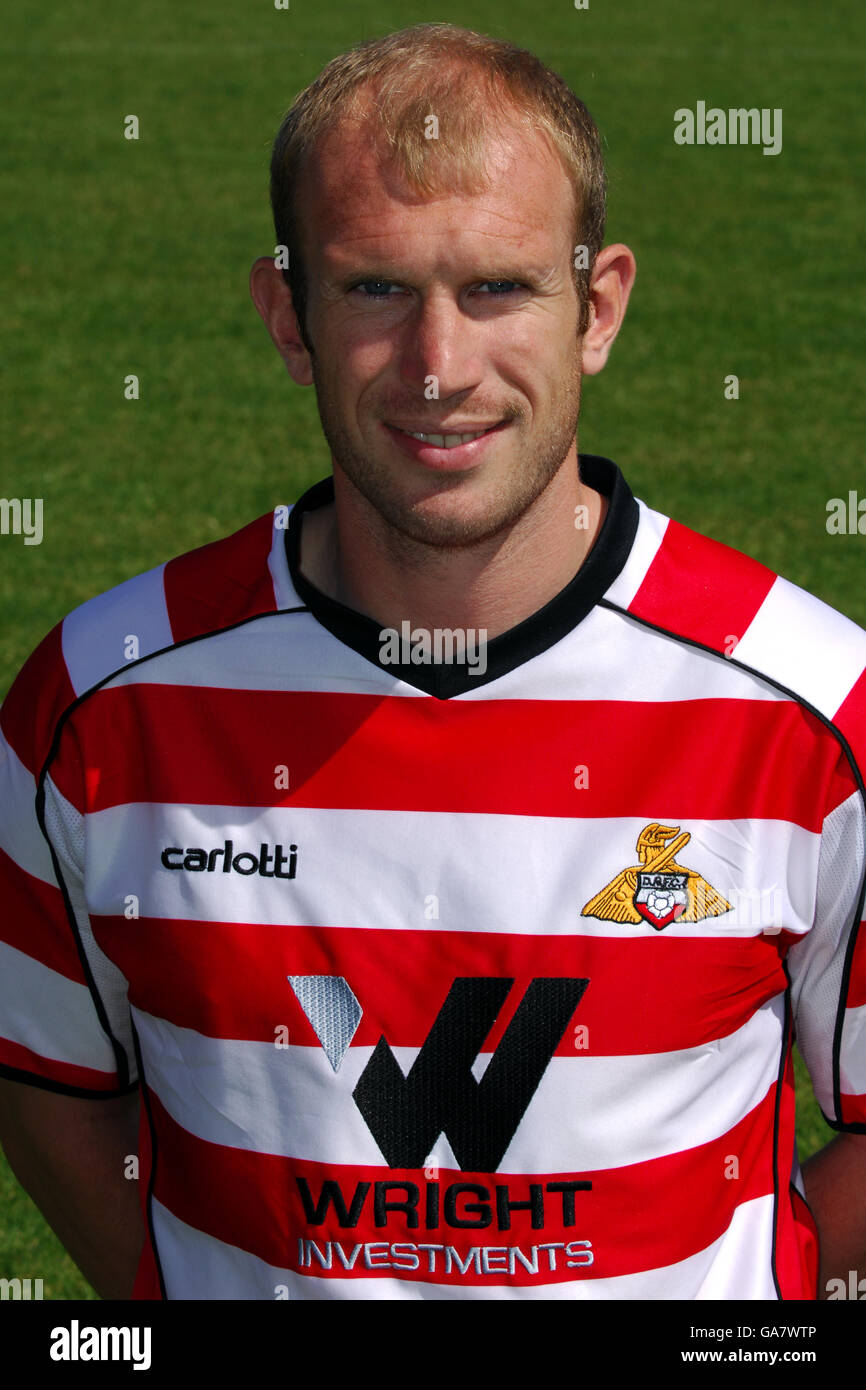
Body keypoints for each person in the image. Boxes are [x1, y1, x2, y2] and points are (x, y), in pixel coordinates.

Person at [0, 21, 864, 1302]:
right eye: (373, 289)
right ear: (286, 316)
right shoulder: (95, 702)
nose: (439, 368)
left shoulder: (810, 707)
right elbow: (45, 1078)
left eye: (498, 289)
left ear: (599, 307)